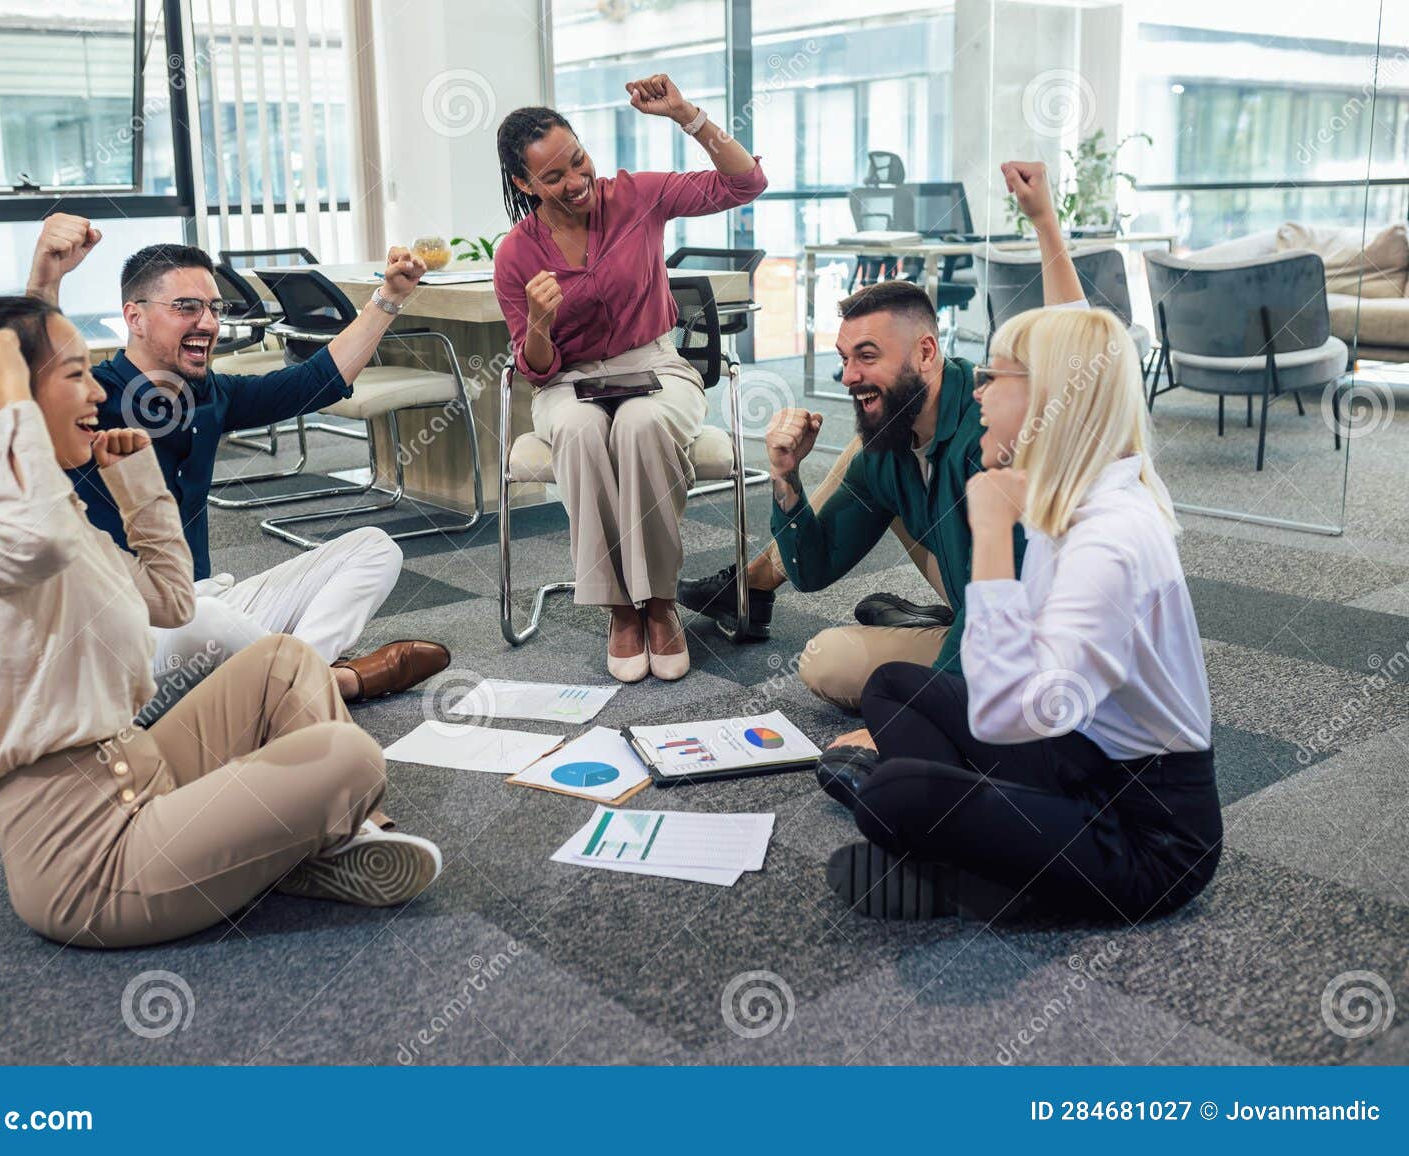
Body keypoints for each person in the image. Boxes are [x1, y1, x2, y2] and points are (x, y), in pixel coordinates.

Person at [0, 295, 443, 948]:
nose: (95, 390)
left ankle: (329, 839)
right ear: (13, 404)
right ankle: (313, 836)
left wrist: (134, 480)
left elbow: (171, 600)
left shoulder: (53, 511)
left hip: (142, 777)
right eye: (75, 373)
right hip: (90, 871)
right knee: (350, 756)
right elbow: (41, 539)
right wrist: (12, 397)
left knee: (283, 661)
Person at [821, 296, 1221, 923]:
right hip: (1081, 757)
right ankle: (986, 850)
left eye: (994, 377)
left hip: (1152, 841)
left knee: (889, 797)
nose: (976, 393)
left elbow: (1007, 710)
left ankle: (969, 874)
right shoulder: (1071, 494)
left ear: (1047, 401)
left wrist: (989, 536)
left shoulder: (1107, 544)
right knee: (894, 686)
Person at [684, 163, 1081, 711]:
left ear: (925, 351)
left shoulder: (991, 438)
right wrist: (785, 482)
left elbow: (1075, 351)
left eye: (867, 357)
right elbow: (815, 569)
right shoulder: (891, 441)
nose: (847, 377)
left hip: (1046, 637)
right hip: (974, 596)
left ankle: (950, 654)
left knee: (889, 672)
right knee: (825, 662)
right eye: (845, 359)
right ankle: (939, 630)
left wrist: (901, 732)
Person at [25, 218, 449, 703]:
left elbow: (316, 381)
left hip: (203, 611)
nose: (207, 322)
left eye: (213, 307)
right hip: (119, 644)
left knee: (374, 548)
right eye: (185, 307)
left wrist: (390, 298)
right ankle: (328, 682)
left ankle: (291, 681)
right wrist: (45, 281)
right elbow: (37, 383)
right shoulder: (92, 397)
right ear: (135, 317)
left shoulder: (210, 394)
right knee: (207, 618)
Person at [492, 74, 767, 682]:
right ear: (524, 183)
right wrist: (538, 322)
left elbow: (746, 183)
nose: (576, 181)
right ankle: (620, 609)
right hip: (567, 382)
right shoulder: (516, 253)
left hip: (655, 364)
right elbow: (536, 368)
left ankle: (660, 603)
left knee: (642, 423)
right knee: (585, 433)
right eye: (554, 177)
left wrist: (686, 115)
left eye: (578, 160)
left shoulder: (637, 196)